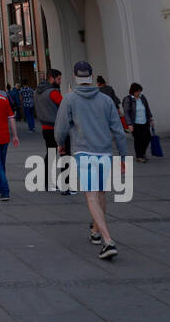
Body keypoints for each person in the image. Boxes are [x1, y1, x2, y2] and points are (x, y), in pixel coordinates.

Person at [55, 61, 129, 259]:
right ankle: (96, 232)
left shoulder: (69, 99)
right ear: (91, 76)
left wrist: (60, 143)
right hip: (104, 152)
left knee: (91, 196)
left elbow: (61, 128)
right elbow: (118, 131)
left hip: (83, 152)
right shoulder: (105, 100)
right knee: (101, 194)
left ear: (75, 76)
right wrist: (123, 156)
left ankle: (108, 241)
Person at [35, 70, 66, 191]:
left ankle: (47, 180)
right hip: (56, 127)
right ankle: (55, 181)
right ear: (51, 78)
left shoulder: (37, 92)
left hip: (45, 127)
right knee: (59, 154)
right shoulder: (53, 93)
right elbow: (65, 106)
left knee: (50, 153)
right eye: (58, 79)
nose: (60, 82)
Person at [121, 84, 154, 163]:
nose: (139, 93)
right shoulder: (128, 99)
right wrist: (129, 124)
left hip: (145, 121)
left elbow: (147, 108)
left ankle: (142, 153)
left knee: (147, 138)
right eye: (138, 91)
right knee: (138, 140)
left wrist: (151, 118)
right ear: (133, 91)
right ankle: (139, 156)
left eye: (140, 91)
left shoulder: (142, 97)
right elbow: (126, 112)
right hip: (135, 123)